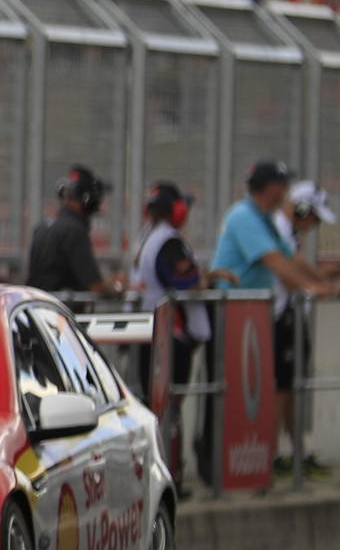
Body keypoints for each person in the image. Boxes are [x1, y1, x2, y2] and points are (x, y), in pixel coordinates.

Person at [210, 159, 340, 477]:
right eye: (281, 186)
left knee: (267, 386)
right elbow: (274, 262)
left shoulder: (264, 219)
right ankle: (239, 463)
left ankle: (259, 459)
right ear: (270, 187)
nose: (284, 193)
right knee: (240, 392)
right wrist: (313, 287)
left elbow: (289, 257)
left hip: (253, 319)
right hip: (235, 316)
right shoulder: (244, 216)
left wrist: (324, 285)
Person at [133, 183, 213, 479]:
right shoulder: (167, 241)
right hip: (169, 338)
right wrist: (209, 279)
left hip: (152, 333)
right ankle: (170, 476)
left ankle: (164, 473)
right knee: (170, 409)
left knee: (159, 408)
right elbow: (186, 280)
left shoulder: (148, 237)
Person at [26, 165, 125, 298]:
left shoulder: (43, 226)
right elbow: (95, 286)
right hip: (58, 313)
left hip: (38, 309)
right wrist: (117, 286)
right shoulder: (74, 230)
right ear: (87, 199)